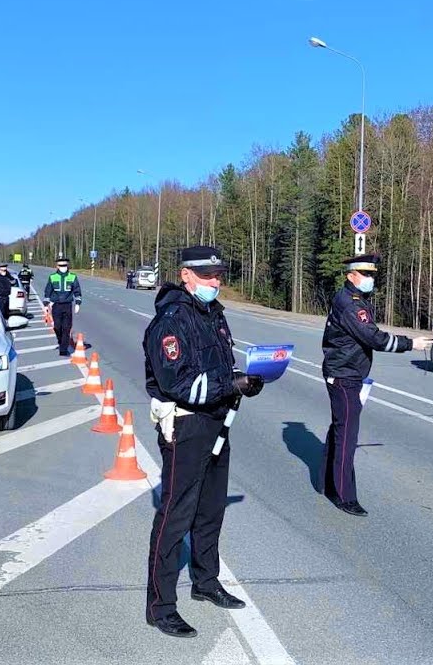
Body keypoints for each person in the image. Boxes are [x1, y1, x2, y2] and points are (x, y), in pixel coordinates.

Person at [143, 245, 264, 638]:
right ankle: (160, 606)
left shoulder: (213, 314)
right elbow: (178, 383)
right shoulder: (171, 321)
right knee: (175, 516)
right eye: (208, 275)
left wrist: (246, 378)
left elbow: (216, 366)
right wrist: (231, 383)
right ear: (186, 275)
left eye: (219, 275)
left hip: (217, 420)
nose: (216, 282)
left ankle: (206, 582)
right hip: (186, 426)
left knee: (211, 510)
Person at [321, 254, 431, 517]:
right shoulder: (350, 304)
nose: (370, 280)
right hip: (344, 374)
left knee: (340, 429)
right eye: (365, 275)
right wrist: (410, 343)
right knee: (347, 435)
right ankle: (345, 496)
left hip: (347, 372)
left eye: (372, 275)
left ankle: (329, 484)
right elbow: (374, 338)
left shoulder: (353, 300)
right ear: (351, 275)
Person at [43, 255, 82, 356]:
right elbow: (47, 292)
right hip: (56, 306)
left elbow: (77, 291)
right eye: (61, 265)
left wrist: (78, 304)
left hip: (67, 305)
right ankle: (61, 341)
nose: (63, 267)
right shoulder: (52, 277)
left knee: (66, 327)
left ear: (68, 266)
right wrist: (46, 305)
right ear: (57, 266)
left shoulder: (73, 277)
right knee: (57, 327)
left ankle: (63, 349)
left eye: (65, 265)